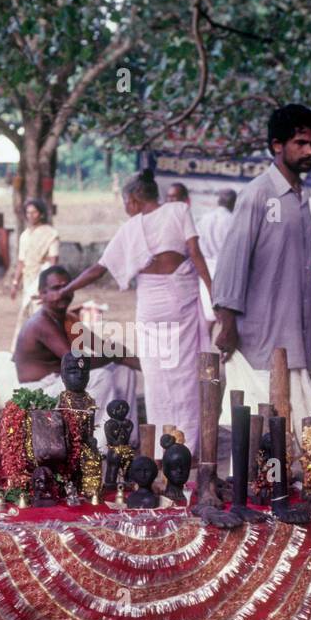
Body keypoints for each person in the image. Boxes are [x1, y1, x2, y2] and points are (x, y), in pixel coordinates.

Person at [57, 169, 212, 449]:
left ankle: (163, 447)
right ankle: (186, 446)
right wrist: (213, 293)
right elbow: (195, 253)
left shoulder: (131, 228)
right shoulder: (178, 210)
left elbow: (98, 269)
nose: (125, 208)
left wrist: (65, 290)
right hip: (181, 305)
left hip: (153, 308)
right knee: (185, 375)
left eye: (125, 202)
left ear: (135, 199)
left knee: (156, 376)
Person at [213, 104, 311, 430]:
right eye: (300, 143)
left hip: (295, 336)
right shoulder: (258, 194)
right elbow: (232, 261)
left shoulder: (301, 197)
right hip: (259, 338)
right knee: (259, 433)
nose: (309, 151)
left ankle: (273, 482)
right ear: (277, 145)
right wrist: (227, 323)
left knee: (293, 432)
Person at [10, 265, 140, 446]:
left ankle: (126, 439)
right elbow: (76, 363)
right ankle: (103, 445)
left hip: (58, 384)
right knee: (101, 376)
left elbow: (102, 347)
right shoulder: (41, 322)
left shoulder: (68, 318)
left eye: (67, 286)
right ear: (42, 294)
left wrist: (145, 367)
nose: (64, 292)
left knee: (124, 371)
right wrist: (112, 354)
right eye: (57, 288)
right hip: (39, 392)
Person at [6, 197, 60, 350]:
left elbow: (53, 261)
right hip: (28, 280)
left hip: (41, 280)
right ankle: (25, 349)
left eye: (34, 212)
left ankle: (46, 349)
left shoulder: (51, 234)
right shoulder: (24, 236)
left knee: (41, 313)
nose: (30, 216)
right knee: (27, 313)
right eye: (28, 213)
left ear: (41, 214)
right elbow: (21, 262)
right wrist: (15, 283)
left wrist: (50, 285)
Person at [195, 188, 237, 341]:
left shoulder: (204, 219)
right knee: (229, 323)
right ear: (234, 203)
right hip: (228, 274)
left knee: (208, 321)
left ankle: (206, 363)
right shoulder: (234, 221)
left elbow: (196, 246)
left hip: (206, 272)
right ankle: (223, 362)